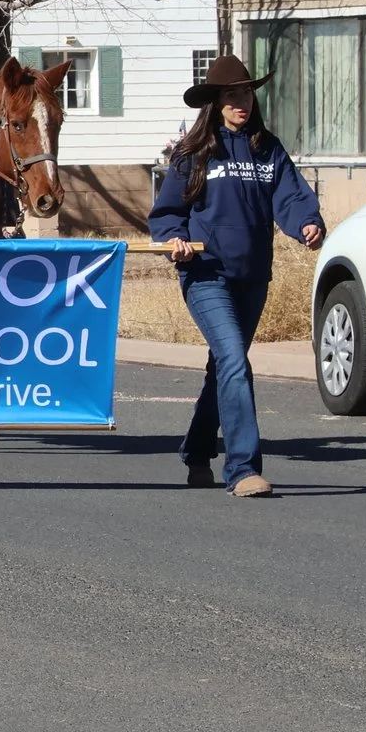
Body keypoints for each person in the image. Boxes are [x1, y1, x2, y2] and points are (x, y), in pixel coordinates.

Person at [146, 54, 325, 498]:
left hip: (252, 275)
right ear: (215, 103)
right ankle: (243, 467)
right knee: (234, 361)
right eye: (231, 95)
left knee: (223, 368)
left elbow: (291, 196)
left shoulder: (269, 149)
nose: (240, 101)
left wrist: (307, 222)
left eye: (245, 92)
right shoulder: (193, 153)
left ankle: (197, 451)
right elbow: (168, 213)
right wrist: (175, 239)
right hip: (205, 274)